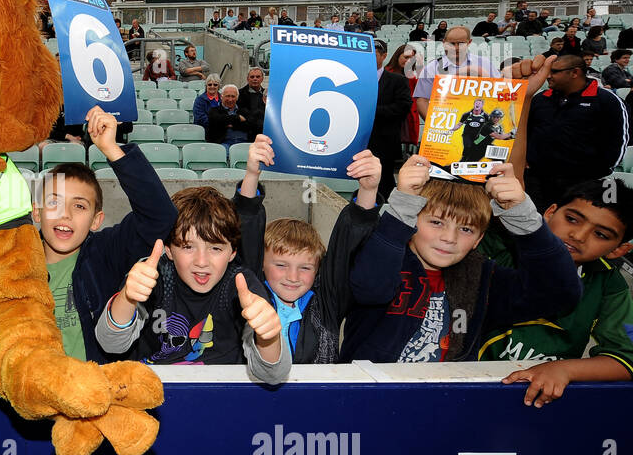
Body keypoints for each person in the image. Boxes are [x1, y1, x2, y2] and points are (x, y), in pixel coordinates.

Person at [340, 156, 581, 363]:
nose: (449, 238)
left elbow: (560, 293)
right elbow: (371, 288)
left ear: (478, 239)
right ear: (411, 219)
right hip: (367, 400)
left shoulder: (482, 280)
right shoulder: (384, 255)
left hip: (446, 404)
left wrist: (523, 218)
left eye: (466, 229)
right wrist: (403, 204)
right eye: (436, 222)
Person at [478, 178, 633, 406]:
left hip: (542, 398)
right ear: (549, 212)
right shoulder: (495, 247)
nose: (578, 236)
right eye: (571, 219)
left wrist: (564, 369)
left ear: (618, 250)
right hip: (464, 384)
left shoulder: (606, 279)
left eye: (601, 235)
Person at [95, 185, 289, 381]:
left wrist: (268, 338)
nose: (201, 261)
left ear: (232, 253)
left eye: (215, 248)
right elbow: (111, 345)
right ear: (169, 250)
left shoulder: (242, 286)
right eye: (188, 247)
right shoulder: (152, 276)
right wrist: (128, 298)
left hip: (221, 396)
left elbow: (272, 375)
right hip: (150, 393)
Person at [233, 134, 380, 363]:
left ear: (318, 270)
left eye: (305, 267)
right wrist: (252, 174)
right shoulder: (251, 298)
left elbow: (347, 244)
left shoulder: (327, 302)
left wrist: (369, 190)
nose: (293, 277)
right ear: (261, 264)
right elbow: (246, 230)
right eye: (281, 265)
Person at [524, 54, 628, 211]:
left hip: (580, 184)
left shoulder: (607, 101)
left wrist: (594, 174)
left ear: (575, 73)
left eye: (555, 71)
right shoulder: (540, 99)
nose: (548, 76)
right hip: (537, 180)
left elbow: (617, 141)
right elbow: (525, 132)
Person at [411, 26, 498, 121]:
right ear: (444, 43)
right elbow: (422, 100)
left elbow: (500, 91)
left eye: (461, 43)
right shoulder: (431, 68)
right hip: (444, 123)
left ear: (469, 42)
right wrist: (433, 124)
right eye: (451, 43)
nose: (456, 47)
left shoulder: (485, 63)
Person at [370, 39, 411, 198]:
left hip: (384, 142)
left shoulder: (397, 80)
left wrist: (373, 111)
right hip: (359, 141)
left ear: (384, 56)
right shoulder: (354, 79)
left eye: (373, 54)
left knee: (384, 182)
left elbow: (403, 107)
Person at [238, 66, 267, 140]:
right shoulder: (239, 93)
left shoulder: (267, 95)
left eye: (258, 77)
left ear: (262, 79)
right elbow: (241, 112)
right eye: (252, 77)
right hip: (246, 132)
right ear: (247, 79)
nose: (255, 79)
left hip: (263, 132)